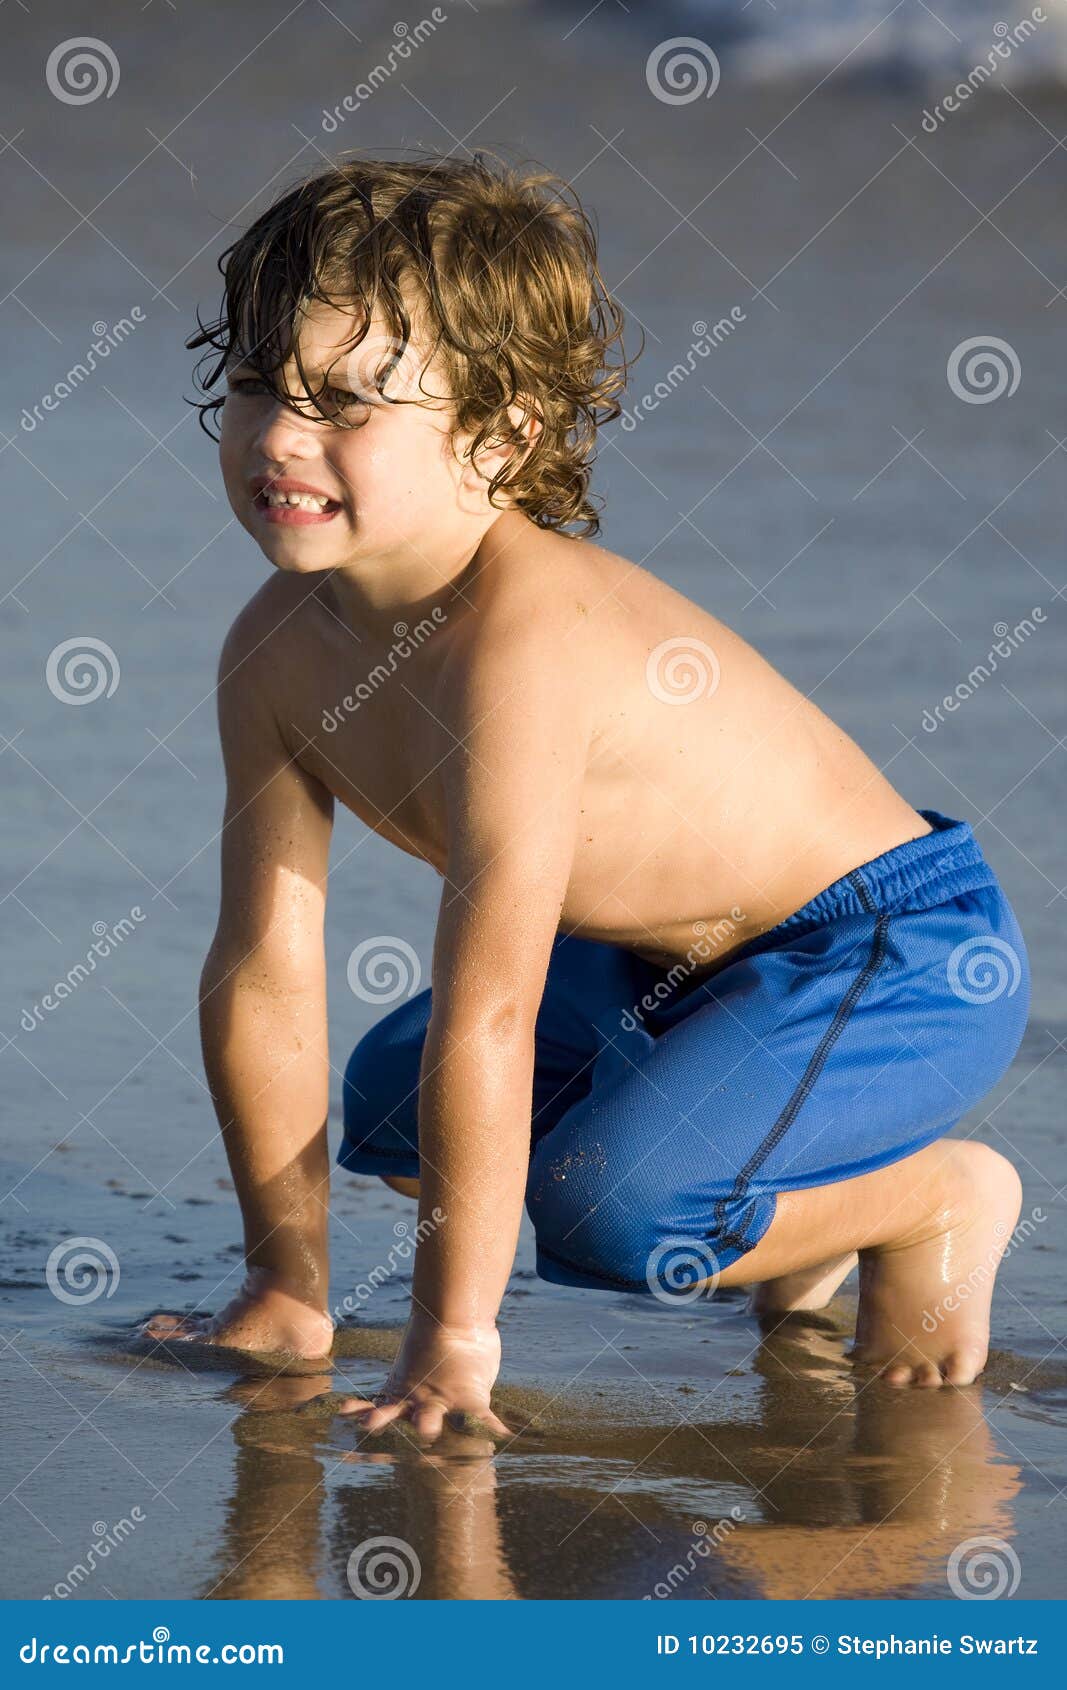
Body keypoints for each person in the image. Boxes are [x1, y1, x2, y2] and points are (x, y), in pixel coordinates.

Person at [140, 154, 1029, 1441]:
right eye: (257, 388)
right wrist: (287, 1282)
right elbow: (266, 968)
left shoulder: (521, 646)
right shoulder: (275, 647)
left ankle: (930, 1197)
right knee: (392, 1103)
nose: (282, 434)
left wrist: (454, 1342)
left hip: (882, 953)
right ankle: (779, 1201)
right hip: (653, 971)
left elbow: (492, 1015)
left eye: (343, 404)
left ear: (499, 440)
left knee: (610, 1212)